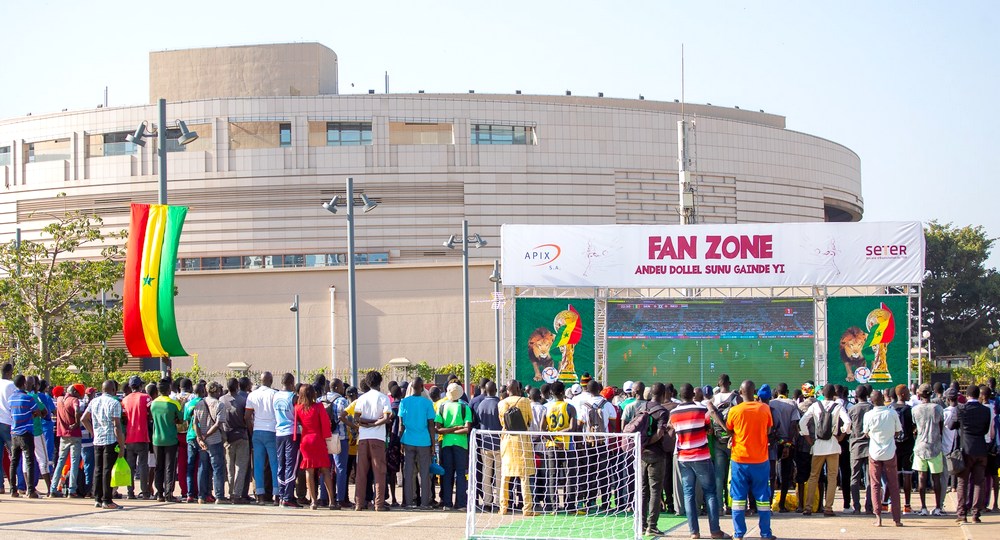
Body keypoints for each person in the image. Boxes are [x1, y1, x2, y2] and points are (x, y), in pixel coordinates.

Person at [708, 380, 775, 540]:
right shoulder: (764, 408)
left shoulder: (734, 411)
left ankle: (738, 534)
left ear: (740, 391)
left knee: (738, 498)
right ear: (754, 392)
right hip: (760, 459)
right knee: (763, 498)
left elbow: (729, 430)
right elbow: (768, 429)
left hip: (739, 460)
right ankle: (765, 533)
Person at [669, 383, 729, 540]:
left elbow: (672, 430)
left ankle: (693, 532)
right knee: (710, 492)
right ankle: (715, 531)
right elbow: (709, 428)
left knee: (688, 494)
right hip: (701, 456)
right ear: (693, 395)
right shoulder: (701, 410)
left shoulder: (674, 413)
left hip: (683, 457)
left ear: (681, 395)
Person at [798, 383, 850, 516]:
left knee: (813, 476)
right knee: (832, 477)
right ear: (834, 395)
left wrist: (808, 438)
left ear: (822, 394)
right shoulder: (838, 406)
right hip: (833, 444)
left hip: (818, 445)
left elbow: (802, 422)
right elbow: (848, 422)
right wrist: (842, 434)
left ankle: (808, 507)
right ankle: (828, 507)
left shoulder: (815, 406)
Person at [951, 383, 995, 524]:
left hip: (966, 449)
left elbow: (953, 426)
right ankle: (976, 514)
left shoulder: (961, 409)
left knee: (962, 482)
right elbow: (985, 430)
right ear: (978, 395)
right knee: (978, 483)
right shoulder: (986, 411)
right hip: (981, 449)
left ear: (967, 395)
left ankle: (962, 514)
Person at [81, 381, 125, 510]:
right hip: (110, 440)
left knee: (98, 470)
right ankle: (107, 500)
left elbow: (83, 419)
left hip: (98, 440)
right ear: (113, 390)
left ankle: (97, 498)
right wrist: (121, 445)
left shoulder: (94, 401)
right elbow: (117, 425)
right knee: (107, 470)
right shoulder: (115, 403)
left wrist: (93, 432)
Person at [353, 370, 392, 511]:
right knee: (379, 471)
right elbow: (387, 418)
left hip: (363, 438)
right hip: (378, 438)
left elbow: (356, 418)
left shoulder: (362, 398)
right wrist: (376, 423)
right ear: (380, 382)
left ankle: (359, 503)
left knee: (361, 472)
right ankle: (379, 504)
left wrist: (367, 423)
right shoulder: (383, 398)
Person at [862, 389, 902, 527]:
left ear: (871, 401)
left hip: (874, 452)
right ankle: (897, 519)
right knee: (894, 485)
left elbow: (865, 433)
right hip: (890, 451)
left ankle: (878, 517)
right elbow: (898, 431)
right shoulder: (892, 413)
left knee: (875, 484)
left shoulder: (868, 415)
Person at [635, 382, 670, 536]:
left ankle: (641, 524)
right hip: (656, 453)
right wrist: (650, 442)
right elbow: (660, 433)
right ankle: (652, 526)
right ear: (663, 395)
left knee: (643, 490)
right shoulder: (662, 411)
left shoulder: (641, 407)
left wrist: (642, 444)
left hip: (641, 452)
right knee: (655, 490)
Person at [497, 379, 535, 516]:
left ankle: (503, 507)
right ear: (519, 388)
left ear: (507, 390)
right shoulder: (525, 402)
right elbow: (530, 420)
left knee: (505, 476)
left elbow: (502, 421)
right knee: (524, 476)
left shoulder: (501, 403)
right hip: (522, 440)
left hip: (507, 440)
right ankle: (527, 508)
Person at [293, 384, 334, 510]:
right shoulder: (319, 406)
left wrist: (295, 438)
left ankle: (313, 502)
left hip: (305, 441)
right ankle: (332, 501)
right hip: (318, 440)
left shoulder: (298, 408)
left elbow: (296, 424)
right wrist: (328, 436)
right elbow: (325, 423)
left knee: (309, 471)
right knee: (325, 470)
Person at [398, 377, 436, 509]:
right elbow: (431, 425)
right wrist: (433, 444)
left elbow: (401, 425)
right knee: (424, 473)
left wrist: (400, 442)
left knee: (408, 472)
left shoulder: (404, 402)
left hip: (408, 439)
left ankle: (409, 502)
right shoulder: (427, 403)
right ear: (422, 387)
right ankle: (425, 503)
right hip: (424, 441)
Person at [436, 382, 474, 511]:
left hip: (446, 443)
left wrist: (449, 430)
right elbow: (467, 429)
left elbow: (438, 429)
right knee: (461, 474)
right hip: (461, 444)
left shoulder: (442, 407)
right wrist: (457, 428)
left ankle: (447, 502)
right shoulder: (465, 408)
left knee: (447, 474)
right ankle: (461, 503)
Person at [910, 382, 945, 516]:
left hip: (920, 446)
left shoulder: (915, 410)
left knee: (921, 477)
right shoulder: (938, 408)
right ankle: (937, 507)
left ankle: (923, 507)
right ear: (931, 393)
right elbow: (941, 426)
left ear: (919, 394)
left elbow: (915, 426)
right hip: (935, 445)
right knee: (936, 478)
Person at [544, 381, 578, 513]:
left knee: (553, 476)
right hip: (567, 446)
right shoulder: (570, 407)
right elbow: (572, 428)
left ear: (551, 393)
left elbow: (542, 430)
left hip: (552, 446)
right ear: (563, 392)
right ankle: (570, 506)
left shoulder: (547, 407)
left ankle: (554, 507)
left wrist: (553, 437)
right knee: (570, 476)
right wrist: (559, 436)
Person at [246, 372, 279, 505]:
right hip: (272, 430)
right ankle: (277, 495)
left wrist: (252, 429)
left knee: (258, 465)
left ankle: (260, 496)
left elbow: (247, 416)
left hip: (257, 431)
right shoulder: (275, 394)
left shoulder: (252, 395)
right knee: (274, 464)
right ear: (271, 380)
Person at [193, 381, 228, 504]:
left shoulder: (199, 404)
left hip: (202, 442)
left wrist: (199, 438)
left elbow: (195, 423)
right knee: (217, 468)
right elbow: (218, 423)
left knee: (203, 467)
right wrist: (206, 435)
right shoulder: (219, 405)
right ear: (217, 391)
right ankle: (219, 496)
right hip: (214, 440)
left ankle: (202, 496)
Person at [8, 374, 42, 498]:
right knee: (29, 461)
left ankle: (13, 489)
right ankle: (31, 490)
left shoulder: (11, 398)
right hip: (26, 433)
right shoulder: (28, 398)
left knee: (14, 462)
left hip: (14, 433)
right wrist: (33, 414)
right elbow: (37, 411)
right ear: (23, 384)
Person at [768, 383, 799, 512]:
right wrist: (788, 444)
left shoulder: (770, 403)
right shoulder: (792, 404)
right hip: (787, 442)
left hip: (773, 442)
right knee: (786, 475)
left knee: (771, 475)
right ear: (787, 391)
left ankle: (768, 503)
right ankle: (781, 505)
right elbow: (793, 425)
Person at [150, 378, 182, 502]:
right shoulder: (174, 403)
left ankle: (159, 493)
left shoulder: (153, 403)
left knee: (159, 466)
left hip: (157, 439)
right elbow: (181, 419)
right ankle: (169, 493)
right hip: (170, 439)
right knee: (170, 467)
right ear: (169, 389)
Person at [220, 377, 250, 503]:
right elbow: (247, 419)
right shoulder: (243, 400)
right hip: (241, 435)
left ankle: (231, 492)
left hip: (227, 437)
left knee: (229, 467)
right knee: (240, 467)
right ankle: (237, 494)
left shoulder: (221, 400)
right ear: (237, 386)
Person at [121, 376, 152, 500]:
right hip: (143, 436)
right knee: (143, 465)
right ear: (140, 386)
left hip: (129, 437)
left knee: (130, 466)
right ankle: (145, 492)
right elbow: (150, 414)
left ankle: (130, 492)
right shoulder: (146, 398)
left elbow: (123, 418)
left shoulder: (124, 400)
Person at [51, 384, 83, 498]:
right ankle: (72, 490)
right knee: (74, 463)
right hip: (74, 435)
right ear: (75, 392)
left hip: (63, 435)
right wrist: (77, 423)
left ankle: (53, 488)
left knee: (60, 462)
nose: (80, 397)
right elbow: (77, 409)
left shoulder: (59, 399)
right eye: (80, 394)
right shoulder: (74, 400)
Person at [846, 384, 874, 514]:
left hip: (856, 445)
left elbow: (847, 428)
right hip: (870, 445)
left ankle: (856, 506)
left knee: (855, 477)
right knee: (870, 478)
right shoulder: (872, 408)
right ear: (868, 395)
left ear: (856, 396)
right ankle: (870, 506)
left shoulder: (852, 410)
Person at [272, 373, 299, 508]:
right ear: (291, 383)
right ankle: (288, 496)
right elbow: (299, 413)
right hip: (291, 432)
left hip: (279, 432)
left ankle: (282, 495)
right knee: (291, 465)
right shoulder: (293, 397)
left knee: (281, 464)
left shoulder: (275, 395)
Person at [474, 381, 502, 510]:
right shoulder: (499, 404)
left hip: (485, 443)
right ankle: (499, 500)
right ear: (496, 390)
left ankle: (487, 501)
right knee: (499, 473)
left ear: (485, 390)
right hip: (499, 442)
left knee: (486, 473)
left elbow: (478, 421)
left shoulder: (481, 404)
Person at [890, 384, 916, 513]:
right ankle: (907, 505)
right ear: (904, 394)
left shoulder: (890, 409)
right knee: (907, 476)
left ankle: (891, 503)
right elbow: (914, 427)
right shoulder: (910, 410)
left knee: (893, 476)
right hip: (907, 445)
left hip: (894, 446)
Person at [326, 378, 350, 508]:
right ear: (336, 387)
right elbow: (348, 417)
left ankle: (324, 497)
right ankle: (340, 498)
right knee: (340, 468)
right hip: (340, 437)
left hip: (325, 437)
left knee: (326, 468)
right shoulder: (342, 401)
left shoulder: (321, 399)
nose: (343, 389)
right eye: (341, 386)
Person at [182, 382, 206, 503]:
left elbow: (185, 419)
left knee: (190, 466)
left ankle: (190, 494)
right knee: (202, 465)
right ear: (203, 391)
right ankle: (202, 494)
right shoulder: (205, 402)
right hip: (203, 436)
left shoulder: (188, 404)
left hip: (191, 436)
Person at [0, 363, 15, 495]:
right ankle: (15, 485)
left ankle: (0, 486)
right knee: (15, 455)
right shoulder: (11, 385)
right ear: (9, 372)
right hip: (8, 422)